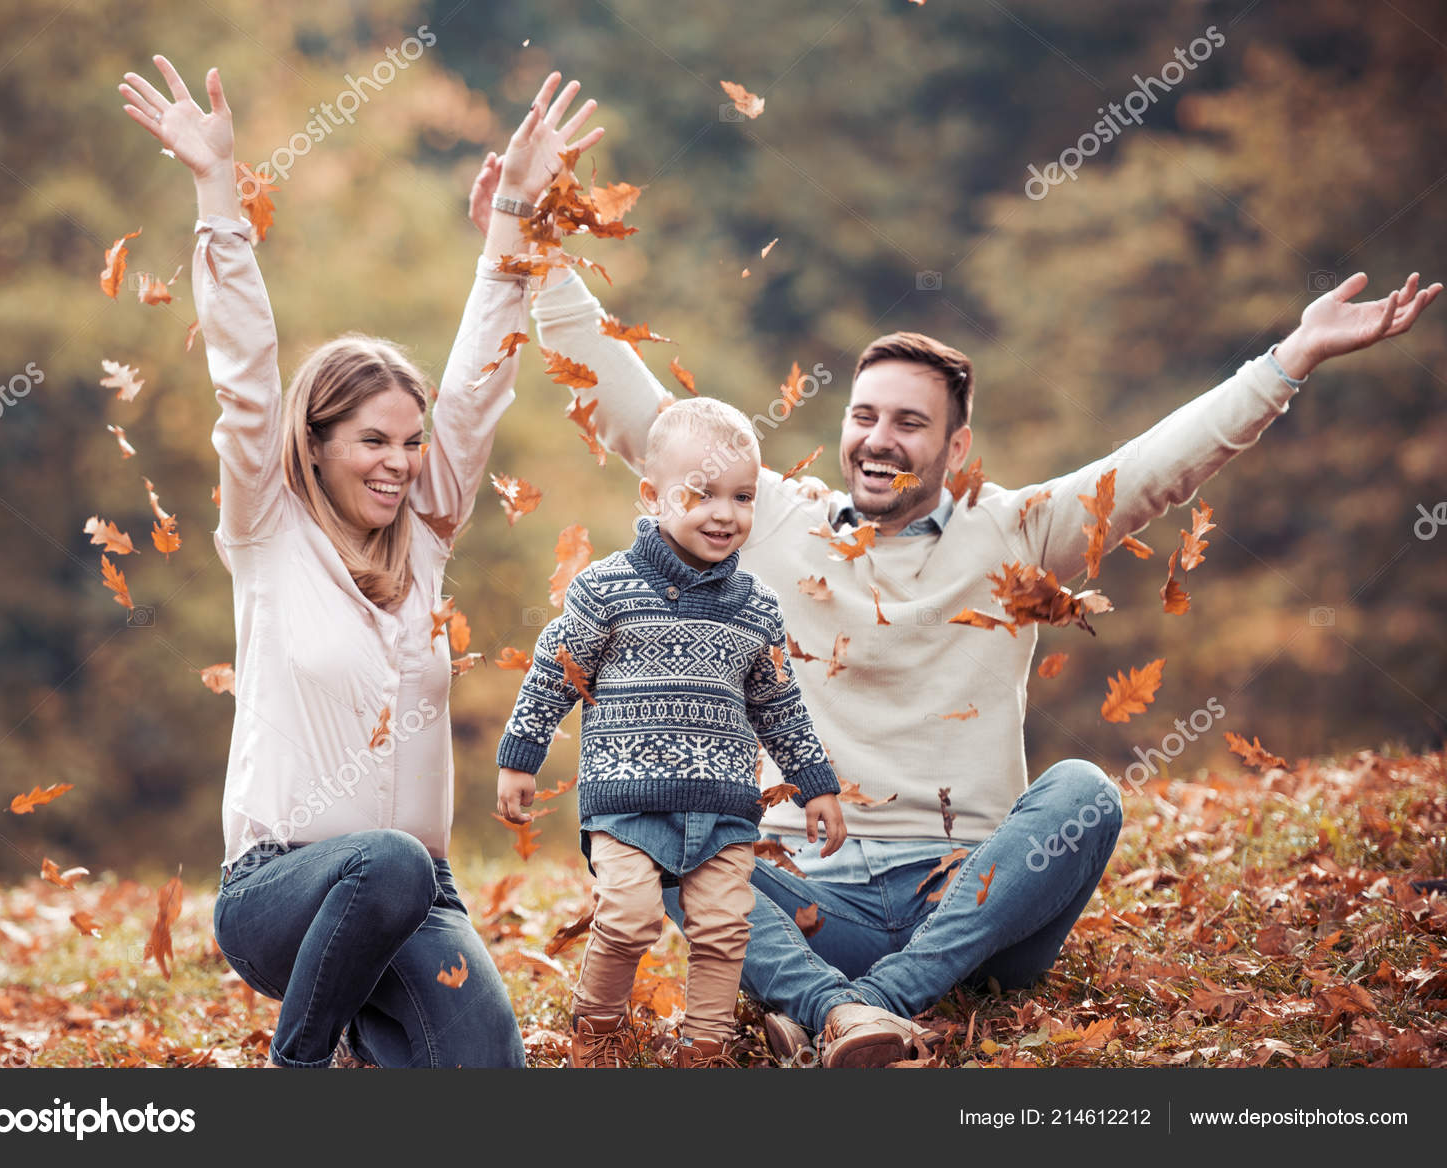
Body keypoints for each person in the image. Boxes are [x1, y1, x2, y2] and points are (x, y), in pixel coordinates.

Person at [464, 155, 1441, 1066]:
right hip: (812, 894)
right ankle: (842, 1004)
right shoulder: (767, 519)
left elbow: (1151, 471)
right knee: (671, 826)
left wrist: (1290, 359)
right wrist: (531, 252)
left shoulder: (1013, 532)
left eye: (908, 422)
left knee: (1083, 795)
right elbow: (644, 419)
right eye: (862, 415)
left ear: (957, 446)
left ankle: (856, 1002)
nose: (877, 439)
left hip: (968, 907)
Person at [117, 58, 604, 1068]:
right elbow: (247, 378)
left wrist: (514, 217)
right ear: (320, 441)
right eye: (373, 440)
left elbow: (474, 389)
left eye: (408, 442)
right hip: (278, 891)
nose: (398, 462)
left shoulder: (423, 538)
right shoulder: (264, 529)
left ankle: (368, 1055)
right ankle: (298, 1068)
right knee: (380, 862)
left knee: (491, 1068)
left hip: (420, 895)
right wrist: (217, 191)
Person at [495, 398, 848, 1067]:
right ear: (652, 495)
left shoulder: (757, 608)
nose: (724, 513)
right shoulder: (605, 590)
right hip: (627, 800)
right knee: (630, 918)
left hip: (721, 808)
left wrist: (815, 785)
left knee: (723, 930)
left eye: (742, 496)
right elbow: (555, 669)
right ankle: (596, 1037)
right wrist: (521, 757)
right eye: (701, 493)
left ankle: (704, 1049)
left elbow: (780, 706)